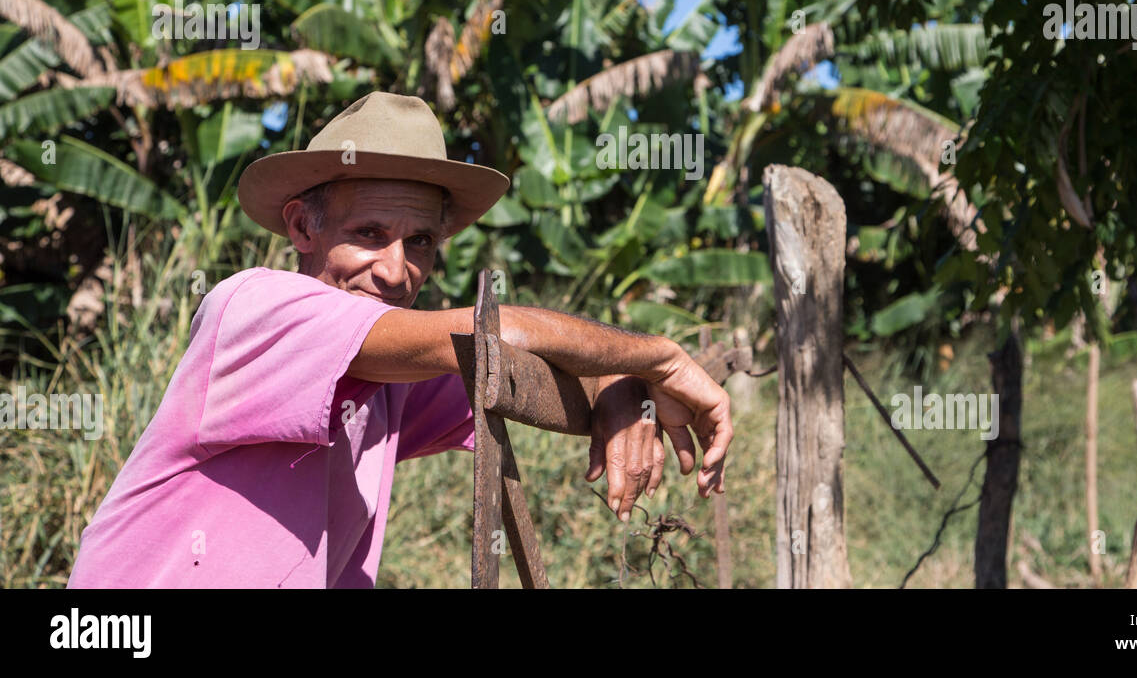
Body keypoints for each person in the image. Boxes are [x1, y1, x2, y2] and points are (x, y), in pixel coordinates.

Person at [68, 92, 732, 588]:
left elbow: (521, 362)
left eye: (419, 242)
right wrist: (662, 357)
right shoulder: (256, 307)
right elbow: (501, 333)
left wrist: (620, 390)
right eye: (368, 233)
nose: (396, 268)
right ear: (302, 227)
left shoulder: (391, 374)